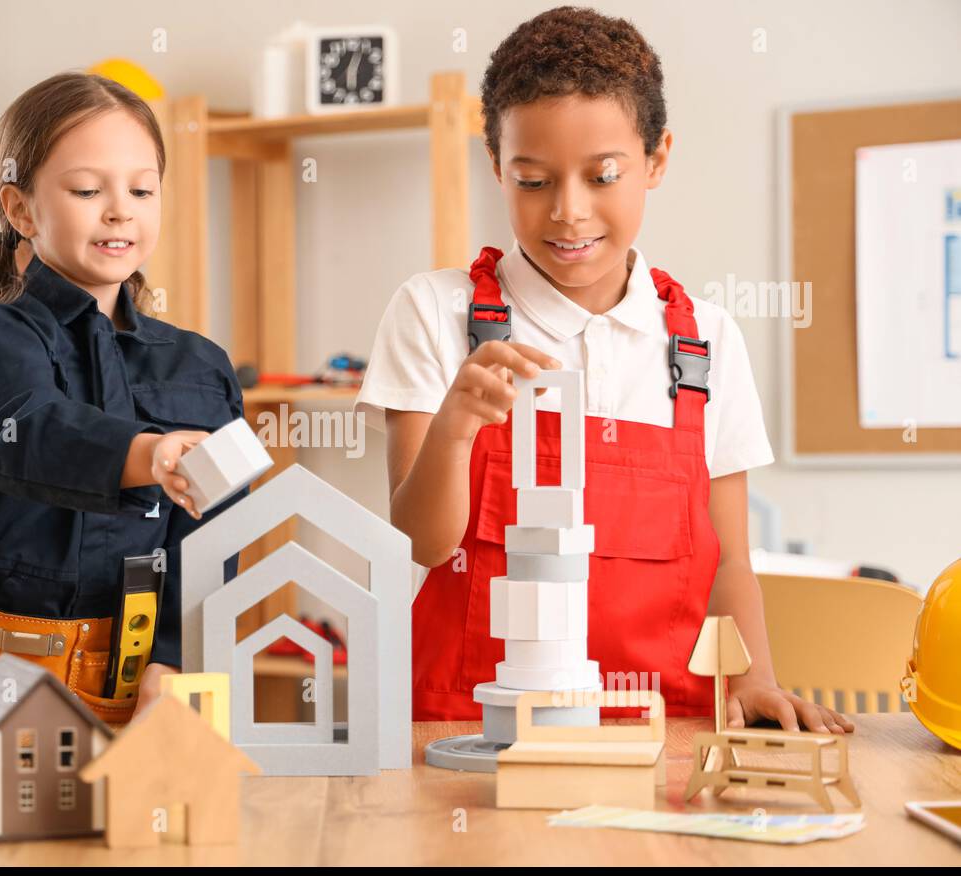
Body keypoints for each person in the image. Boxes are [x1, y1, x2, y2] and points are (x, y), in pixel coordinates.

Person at [355, 7, 853, 732]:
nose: (569, 212)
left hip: (661, 736)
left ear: (656, 160)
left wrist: (753, 679)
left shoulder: (706, 344)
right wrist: (457, 426)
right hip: (469, 737)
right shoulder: (436, 312)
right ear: (495, 164)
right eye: (532, 180)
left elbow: (728, 561)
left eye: (603, 175)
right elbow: (424, 545)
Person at [0, 72, 243, 726]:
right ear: (21, 211)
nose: (119, 210)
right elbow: (30, 432)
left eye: (142, 189)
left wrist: (172, 662)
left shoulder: (201, 368)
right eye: (86, 189)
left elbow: (212, 536)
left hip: (133, 689)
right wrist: (147, 454)